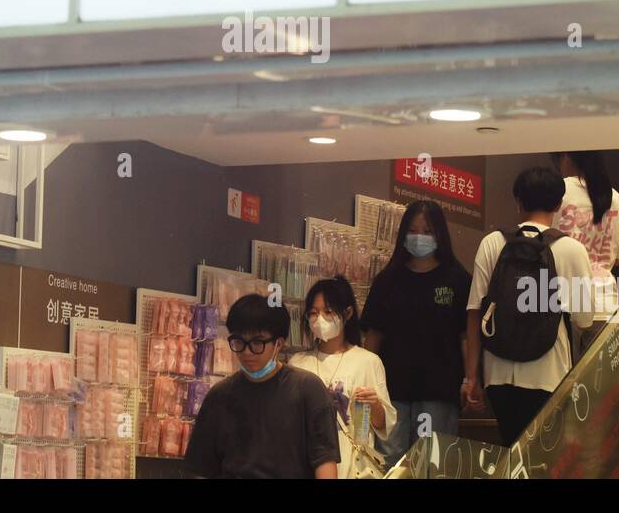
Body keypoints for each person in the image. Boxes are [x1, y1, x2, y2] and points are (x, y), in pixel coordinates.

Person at [464, 166, 594, 446]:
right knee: (544, 453)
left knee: (510, 450)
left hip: (498, 373)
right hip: (549, 373)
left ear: (518, 202)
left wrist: (471, 377)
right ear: (558, 205)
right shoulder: (572, 250)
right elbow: (584, 320)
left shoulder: (492, 243)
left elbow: (475, 312)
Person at [361, 199, 472, 468]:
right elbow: (373, 336)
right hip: (392, 391)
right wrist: (365, 379)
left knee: (431, 465)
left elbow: (465, 337)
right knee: (388, 464)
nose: (419, 237)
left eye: (427, 231)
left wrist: (470, 379)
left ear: (440, 234)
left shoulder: (457, 279)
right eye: (412, 231)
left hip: (439, 391)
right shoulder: (388, 280)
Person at [184, 294, 339, 479]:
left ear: (278, 343)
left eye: (257, 343)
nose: (247, 352)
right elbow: (201, 468)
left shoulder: (308, 390)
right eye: (239, 342)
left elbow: (325, 462)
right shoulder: (219, 396)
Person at [290, 276, 397, 478]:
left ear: (347, 313)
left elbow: (384, 426)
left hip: (353, 466)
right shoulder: (298, 363)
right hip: (308, 464)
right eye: (313, 313)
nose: (320, 319)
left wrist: (374, 405)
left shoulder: (368, 362)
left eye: (328, 312)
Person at [551, 150, 619, 353]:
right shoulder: (616, 199)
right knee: (599, 372)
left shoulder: (558, 192)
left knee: (568, 372)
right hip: (606, 302)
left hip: (565, 300)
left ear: (566, 157)